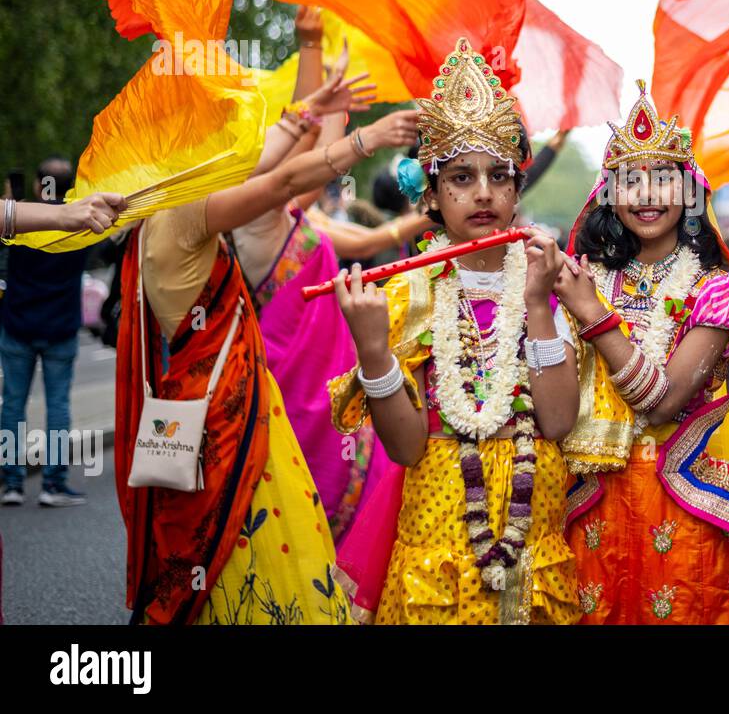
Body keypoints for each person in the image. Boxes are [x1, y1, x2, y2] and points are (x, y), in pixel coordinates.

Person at [115, 92, 417, 624]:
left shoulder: (154, 216)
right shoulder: (189, 213)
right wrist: (366, 138)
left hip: (196, 392)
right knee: (245, 535)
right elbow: (277, 181)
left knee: (214, 543)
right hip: (226, 404)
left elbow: (269, 168)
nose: (229, 157)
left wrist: (308, 107)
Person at [328, 38, 581, 625]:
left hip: (532, 526)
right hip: (437, 530)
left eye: (499, 177)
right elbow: (406, 447)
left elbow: (559, 422)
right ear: (433, 197)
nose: (484, 192)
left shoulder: (548, 277)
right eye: (462, 178)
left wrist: (539, 305)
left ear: (519, 191)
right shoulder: (409, 294)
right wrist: (373, 351)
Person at [554, 80, 729, 623]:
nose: (646, 195)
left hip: (681, 503)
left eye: (662, 178)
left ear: (690, 191)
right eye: (630, 181)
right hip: (589, 499)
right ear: (608, 194)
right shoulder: (586, 278)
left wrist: (594, 317)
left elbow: (664, 402)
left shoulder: (716, 291)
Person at [231, 10, 430, 543]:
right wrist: (359, 130)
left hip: (330, 393)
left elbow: (316, 161)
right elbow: (302, 166)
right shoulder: (254, 221)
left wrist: (322, 70)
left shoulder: (299, 219)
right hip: (288, 398)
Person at [1, 159, 120, 507]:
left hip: (19, 323)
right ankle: (53, 483)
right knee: (58, 407)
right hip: (61, 326)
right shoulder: (79, 221)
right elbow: (105, 251)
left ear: (40, 185)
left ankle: (12, 482)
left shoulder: (22, 218)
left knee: (13, 407)